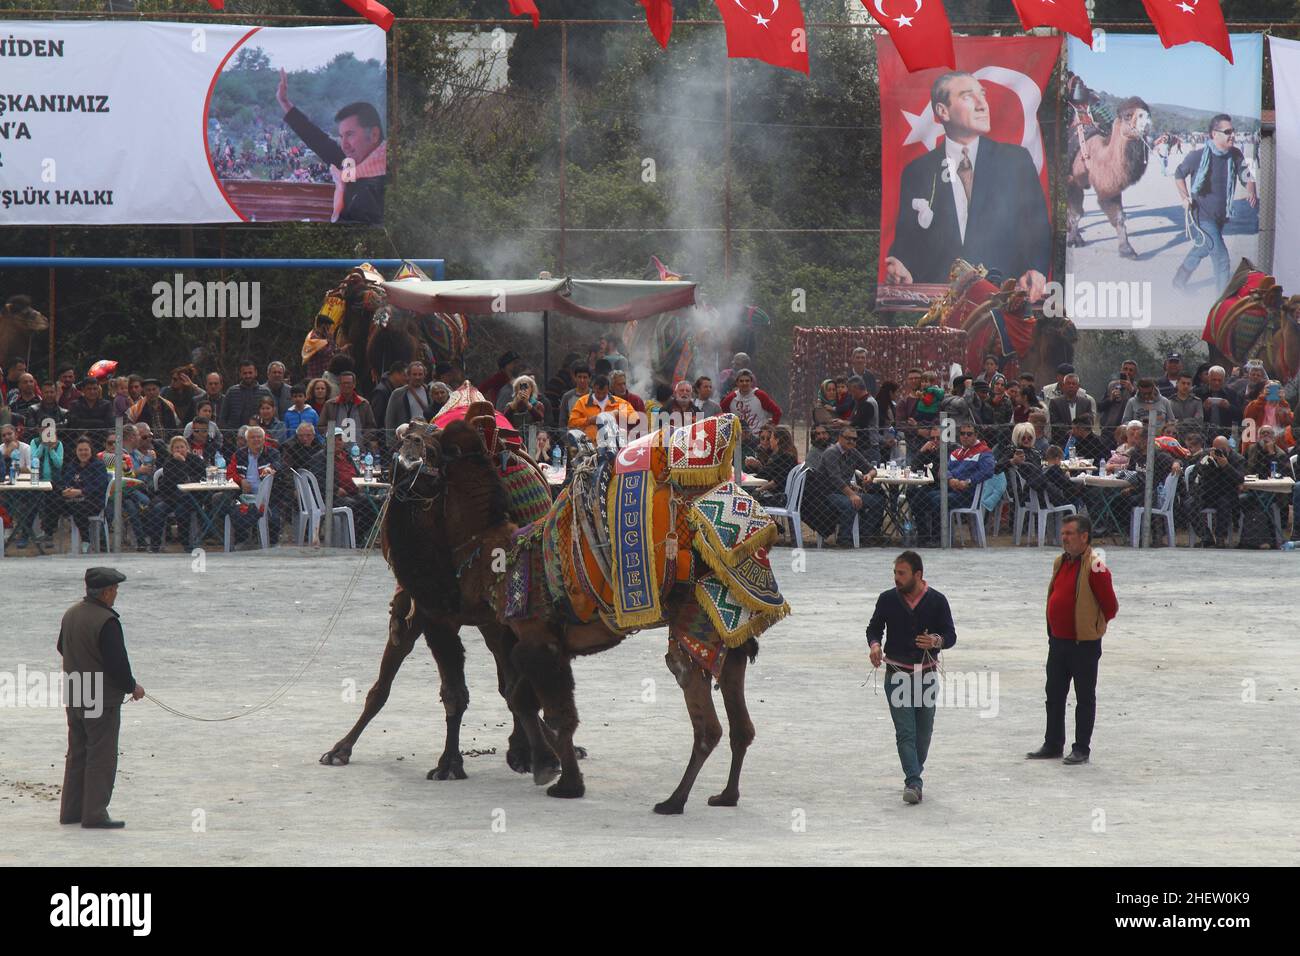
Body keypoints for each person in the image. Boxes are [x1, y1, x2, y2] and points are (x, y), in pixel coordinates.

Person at [884, 71, 1050, 297]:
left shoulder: (1016, 161)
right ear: (943, 111)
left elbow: (1037, 229)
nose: (983, 105)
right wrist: (901, 267)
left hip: (1003, 305)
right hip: (937, 311)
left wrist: (1036, 270)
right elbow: (906, 244)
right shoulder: (917, 171)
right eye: (968, 96)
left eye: (982, 95)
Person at [866, 551, 957, 805]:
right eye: (895, 573)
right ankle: (913, 782)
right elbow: (874, 628)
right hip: (896, 673)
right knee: (905, 731)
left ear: (918, 575)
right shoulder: (887, 599)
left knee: (923, 734)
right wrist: (875, 645)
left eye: (902, 573)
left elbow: (950, 635)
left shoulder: (937, 601)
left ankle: (914, 770)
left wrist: (936, 641)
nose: (897, 578)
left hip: (927, 675)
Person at [1027, 515, 1118, 765]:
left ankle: (1081, 748)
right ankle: (1053, 743)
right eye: (1063, 533)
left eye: (1069, 533)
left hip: (1084, 645)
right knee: (1054, 694)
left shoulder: (1096, 566)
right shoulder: (1060, 562)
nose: (1064, 538)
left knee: (1084, 697)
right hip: (1058, 641)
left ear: (1084, 537)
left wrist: (1093, 627)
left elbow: (1110, 606)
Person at [57, 567, 145, 829]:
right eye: (115, 589)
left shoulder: (71, 613)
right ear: (106, 592)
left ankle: (71, 811)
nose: (116, 593)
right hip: (100, 698)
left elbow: (62, 647)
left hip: (75, 693)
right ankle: (94, 813)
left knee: (78, 753)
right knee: (101, 755)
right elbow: (117, 664)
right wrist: (132, 687)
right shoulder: (106, 621)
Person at [277, 69, 385, 223]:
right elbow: (319, 141)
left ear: (374, 135)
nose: (344, 145)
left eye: (350, 134)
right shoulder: (354, 167)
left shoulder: (382, 185)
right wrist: (285, 103)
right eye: (341, 137)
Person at [1173, 114, 1257, 293]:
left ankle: (1179, 280)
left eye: (1232, 131)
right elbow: (1179, 174)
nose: (1232, 135)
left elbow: (1246, 176)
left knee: (1202, 248)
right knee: (1221, 258)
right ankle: (1223, 304)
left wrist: (1251, 190)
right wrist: (1184, 197)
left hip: (1220, 216)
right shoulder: (1197, 156)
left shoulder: (1235, 154)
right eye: (1227, 131)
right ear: (1214, 134)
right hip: (1202, 216)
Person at [810, 426, 884, 547]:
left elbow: (871, 469)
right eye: (848, 438)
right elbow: (835, 479)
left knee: (878, 501)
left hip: (844, 492)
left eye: (854, 439)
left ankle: (864, 535)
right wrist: (852, 495)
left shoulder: (852, 452)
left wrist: (869, 476)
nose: (852, 442)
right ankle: (844, 540)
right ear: (840, 438)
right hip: (827, 493)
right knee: (850, 504)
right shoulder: (831, 452)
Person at [223, 425, 283, 545]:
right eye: (252, 437)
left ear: (264, 439)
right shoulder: (239, 454)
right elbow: (229, 473)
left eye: (259, 437)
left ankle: (271, 544)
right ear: (247, 440)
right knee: (221, 500)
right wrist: (240, 480)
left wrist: (269, 469)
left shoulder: (272, 452)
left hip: (268, 496)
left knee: (274, 518)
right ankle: (242, 540)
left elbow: (277, 465)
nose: (256, 440)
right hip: (243, 495)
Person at [148, 435, 206, 552]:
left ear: (187, 448)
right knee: (158, 509)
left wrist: (184, 465)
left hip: (191, 498)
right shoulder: (169, 461)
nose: (179, 450)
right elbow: (175, 479)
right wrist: (181, 463)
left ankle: (186, 544)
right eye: (176, 448)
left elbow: (200, 477)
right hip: (171, 497)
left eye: (182, 447)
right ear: (172, 450)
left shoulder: (196, 460)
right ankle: (155, 545)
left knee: (181, 510)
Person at [57, 436, 109, 552]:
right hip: (72, 499)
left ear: (91, 450)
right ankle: (47, 532)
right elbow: (65, 481)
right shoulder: (73, 465)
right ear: (76, 451)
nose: (83, 453)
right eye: (80, 450)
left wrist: (80, 492)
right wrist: (65, 490)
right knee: (52, 498)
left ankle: (86, 540)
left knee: (78, 508)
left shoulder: (98, 466)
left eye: (86, 450)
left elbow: (99, 486)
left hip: (93, 501)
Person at [721, 369, 782, 457]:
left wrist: (771, 427)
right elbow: (721, 414)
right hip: (738, 440)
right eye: (741, 381)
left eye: (747, 381)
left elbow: (777, 412)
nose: (744, 383)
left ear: (751, 382)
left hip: (759, 440)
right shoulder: (731, 398)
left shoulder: (760, 395)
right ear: (737, 383)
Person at [568, 374, 638, 444]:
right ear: (594, 388)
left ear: (608, 389)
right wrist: (589, 420)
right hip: (591, 447)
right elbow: (572, 422)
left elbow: (634, 417)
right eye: (598, 392)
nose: (601, 395)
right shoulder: (582, 402)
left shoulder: (618, 402)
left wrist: (617, 413)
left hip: (615, 445)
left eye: (604, 393)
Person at [320, 372, 379, 453]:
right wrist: (333, 439)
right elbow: (321, 426)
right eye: (343, 383)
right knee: (332, 466)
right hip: (335, 452)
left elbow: (371, 427)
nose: (346, 385)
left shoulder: (364, 404)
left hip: (359, 450)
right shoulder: (330, 405)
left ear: (354, 384)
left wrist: (362, 440)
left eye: (349, 383)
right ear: (339, 385)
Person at [749, 425, 799, 507]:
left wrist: (759, 490)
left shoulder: (784, 457)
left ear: (777, 440)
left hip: (778, 496)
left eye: (771, 438)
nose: (769, 441)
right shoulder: (783, 455)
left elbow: (776, 481)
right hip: (779, 494)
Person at [1046, 373, 1098, 446]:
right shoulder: (1055, 402)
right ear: (1063, 386)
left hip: (1083, 442)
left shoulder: (1086, 402)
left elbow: (1089, 420)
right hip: (1062, 441)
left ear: (1078, 387)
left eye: (1074, 384)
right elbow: (1055, 422)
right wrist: (1070, 432)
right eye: (1068, 383)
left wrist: (1078, 431)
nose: (1071, 386)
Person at [65, 378, 114, 451]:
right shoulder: (75, 404)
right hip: (78, 443)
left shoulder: (106, 404)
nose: (92, 391)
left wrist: (83, 423)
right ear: (83, 390)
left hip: (101, 442)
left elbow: (109, 424)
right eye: (89, 389)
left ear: (98, 389)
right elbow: (73, 424)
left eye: (95, 389)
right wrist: (98, 422)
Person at [558, 364, 592, 431]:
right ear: (575, 378)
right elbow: (562, 421)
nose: (582, 380)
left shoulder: (595, 396)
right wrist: (566, 439)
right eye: (579, 377)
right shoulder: (567, 397)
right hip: (572, 437)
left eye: (585, 377)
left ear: (589, 379)